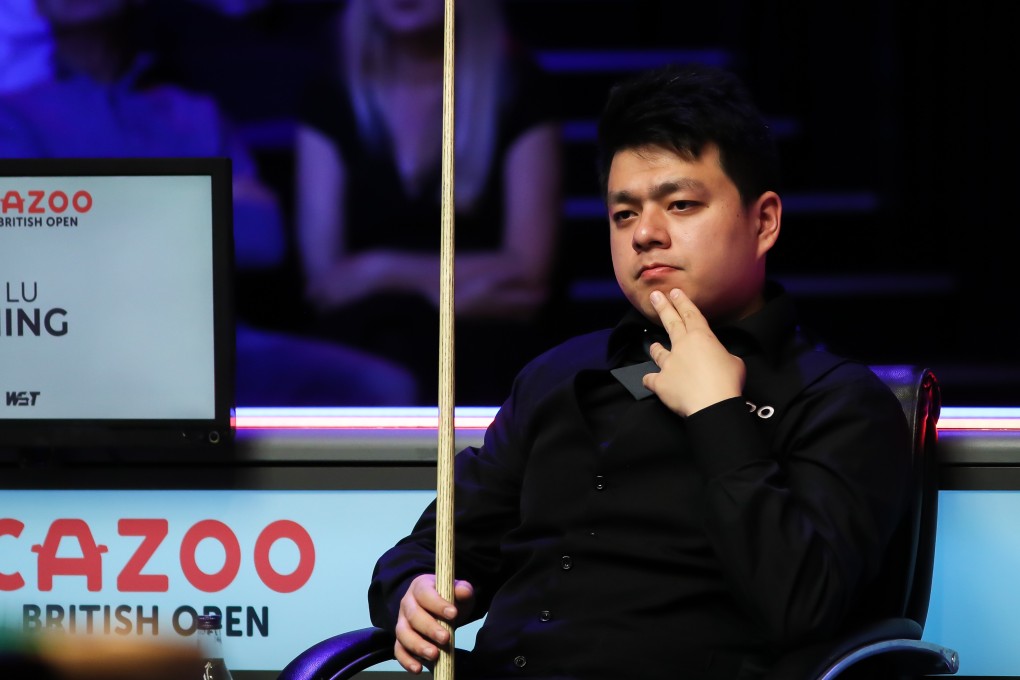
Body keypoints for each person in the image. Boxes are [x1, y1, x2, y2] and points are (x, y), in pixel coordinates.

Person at [365, 63, 913, 679]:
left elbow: (802, 605)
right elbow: (431, 550)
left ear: (763, 222)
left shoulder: (839, 402)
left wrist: (717, 415)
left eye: (681, 205)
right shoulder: (555, 376)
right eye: (624, 214)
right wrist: (412, 591)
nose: (646, 234)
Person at [0, 0, 417, 407]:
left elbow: (263, 238)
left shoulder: (195, 114)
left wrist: (95, 203)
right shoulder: (13, 119)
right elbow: (39, 244)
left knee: (385, 390)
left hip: (214, 342)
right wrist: (202, 197)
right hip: (78, 343)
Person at [294, 0, 563, 405]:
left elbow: (527, 272)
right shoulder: (329, 95)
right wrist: (448, 291)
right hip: (365, 344)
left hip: (488, 347)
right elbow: (325, 283)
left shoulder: (518, 91)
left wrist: (375, 271)